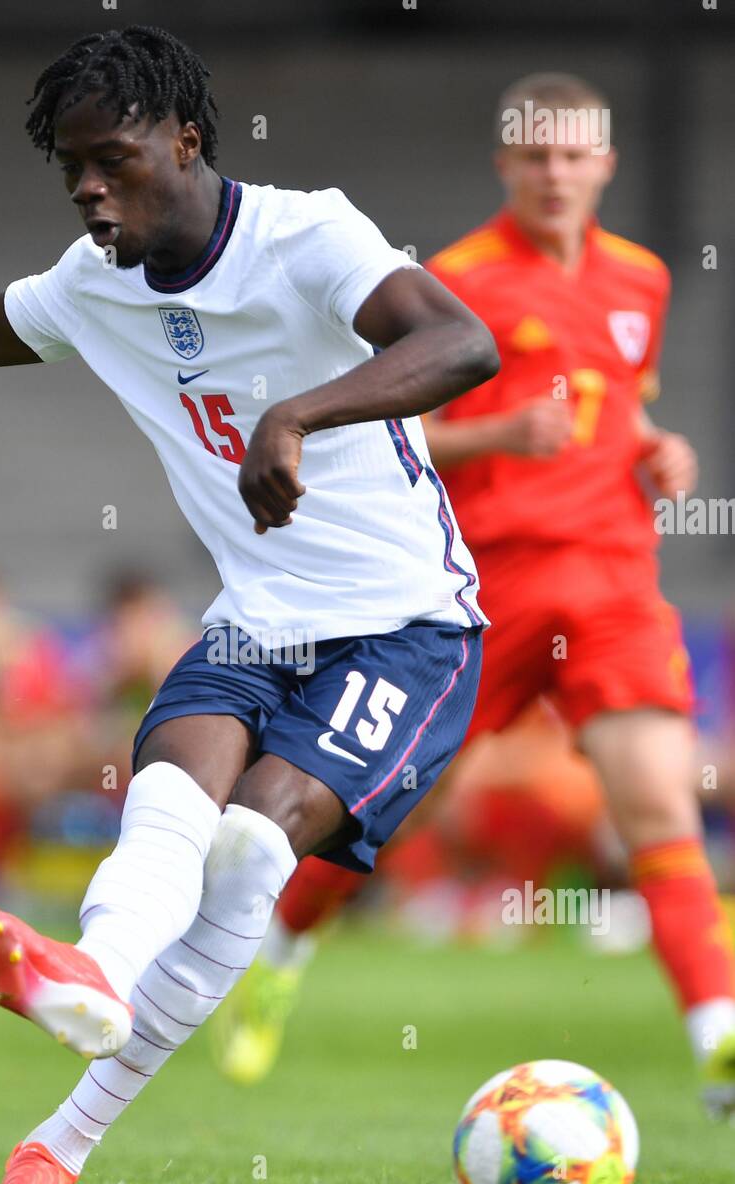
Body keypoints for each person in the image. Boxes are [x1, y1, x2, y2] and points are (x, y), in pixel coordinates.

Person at [0, 25, 498, 1184]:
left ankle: (56, 1145)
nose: (87, 190)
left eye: (110, 161)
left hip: (404, 629)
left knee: (251, 847)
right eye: (70, 170)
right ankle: (91, 980)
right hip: (255, 621)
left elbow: (459, 341)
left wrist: (299, 415)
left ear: (187, 138)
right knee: (170, 797)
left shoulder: (305, 235)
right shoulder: (95, 278)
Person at [211, 72, 735, 1121]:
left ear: (604, 163)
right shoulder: (451, 280)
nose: (553, 173)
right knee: (387, 807)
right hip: (481, 589)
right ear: (505, 163)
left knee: (658, 806)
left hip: (611, 585)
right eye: (533, 155)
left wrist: (655, 449)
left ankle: (716, 1038)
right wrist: (494, 435)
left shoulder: (641, 280)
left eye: (572, 153)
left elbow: (620, 407)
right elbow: (376, 434)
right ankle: (277, 948)